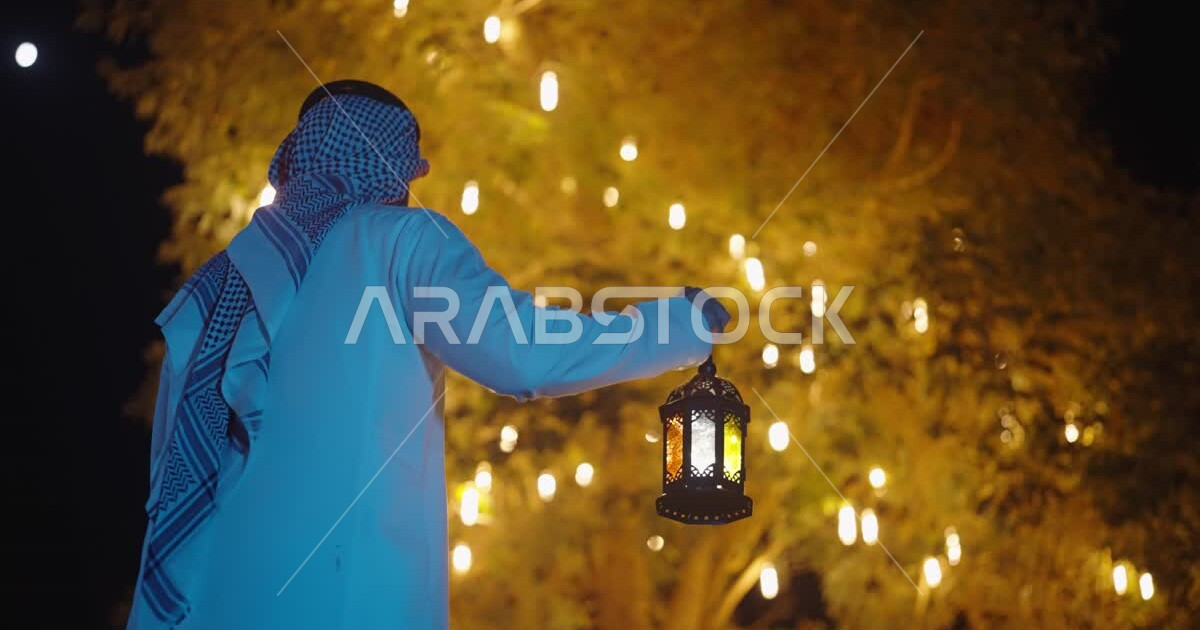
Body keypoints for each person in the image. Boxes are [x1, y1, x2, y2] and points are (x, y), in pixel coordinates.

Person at [127, 80, 729, 629]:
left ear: (294, 154)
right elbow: (520, 352)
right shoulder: (400, 240)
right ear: (394, 164)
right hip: (348, 601)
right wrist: (679, 325)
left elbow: (172, 481)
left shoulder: (218, 283)